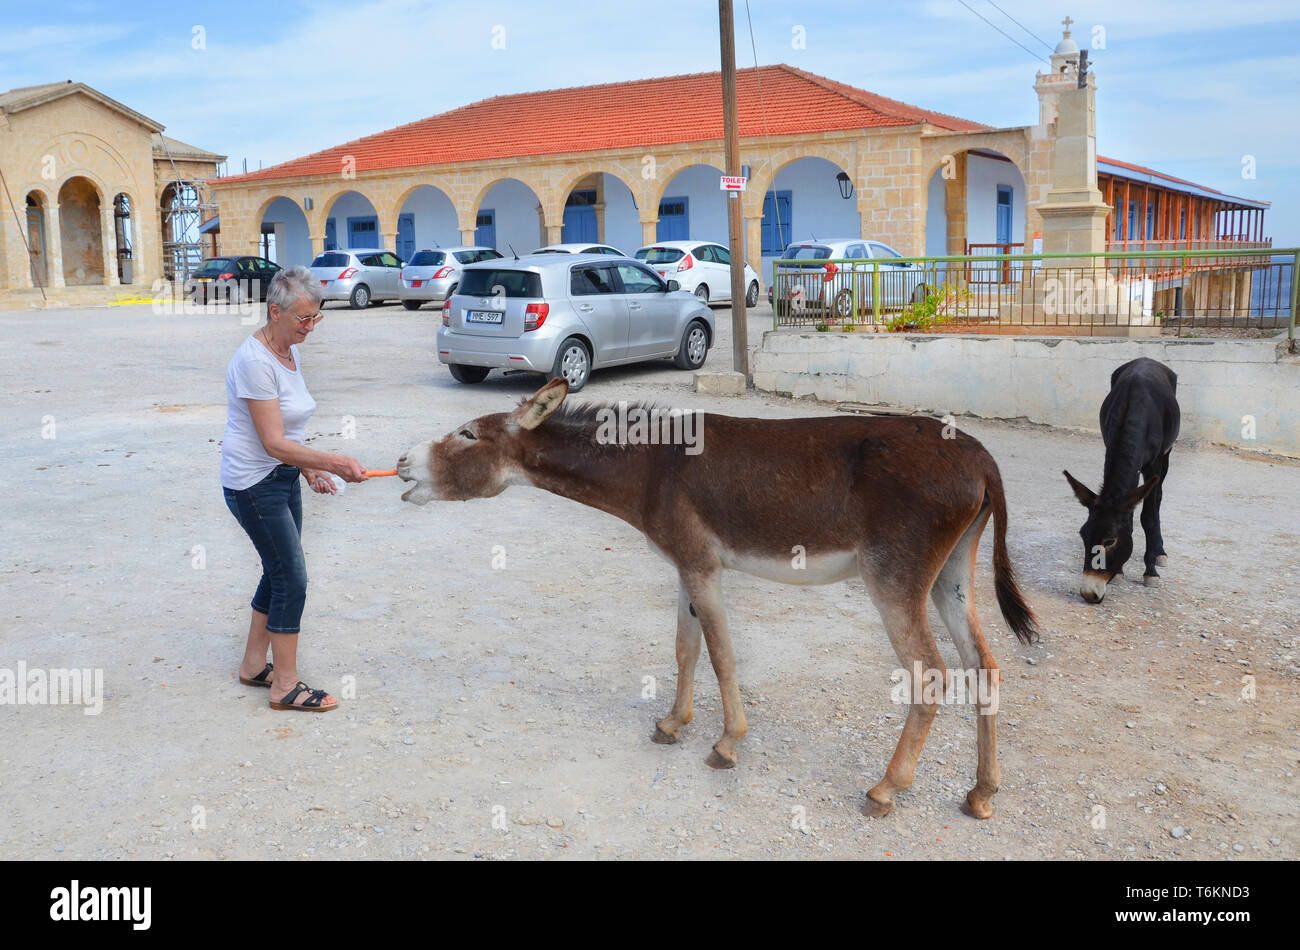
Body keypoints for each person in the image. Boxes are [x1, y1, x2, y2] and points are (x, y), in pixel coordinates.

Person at [220, 266, 367, 711]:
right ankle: (285, 684)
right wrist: (335, 462)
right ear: (275, 311)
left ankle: (252, 666)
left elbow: (289, 431)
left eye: (316, 318)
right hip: (252, 483)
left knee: (277, 570)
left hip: (283, 475)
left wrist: (307, 470)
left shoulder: (290, 352)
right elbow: (271, 441)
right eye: (303, 319)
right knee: (292, 578)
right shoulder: (254, 361)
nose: (310, 327)